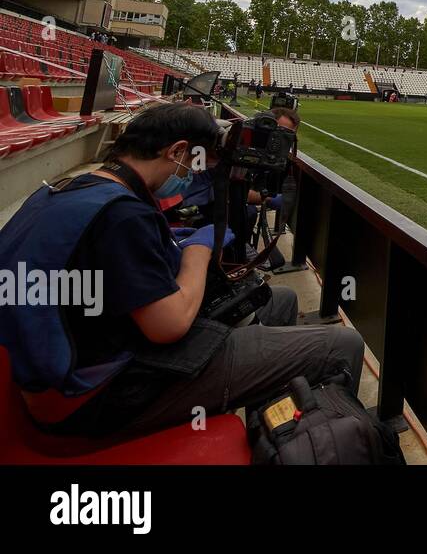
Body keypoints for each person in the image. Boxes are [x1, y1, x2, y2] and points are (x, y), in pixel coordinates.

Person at [0, 102, 363, 439]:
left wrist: (171, 244)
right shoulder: (122, 215)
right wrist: (198, 252)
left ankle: (268, 436)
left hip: (81, 363)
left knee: (278, 300)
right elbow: (168, 325)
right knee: (341, 344)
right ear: (175, 151)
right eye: (193, 163)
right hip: (99, 394)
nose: (191, 175)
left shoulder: (75, 188)